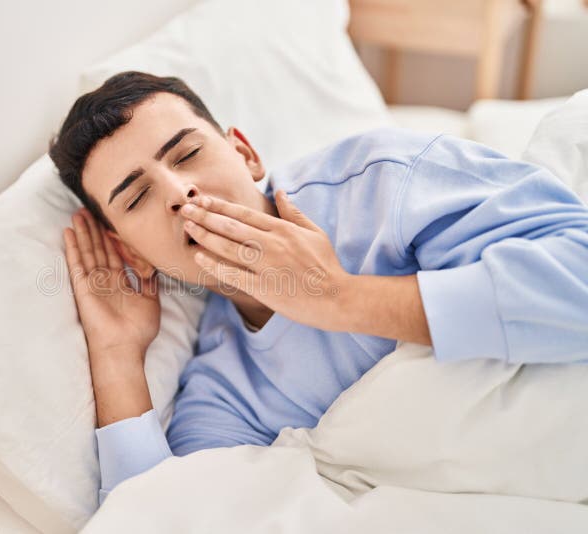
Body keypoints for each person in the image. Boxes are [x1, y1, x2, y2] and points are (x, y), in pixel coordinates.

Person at [48, 71, 588, 507]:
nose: (179, 190)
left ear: (246, 153)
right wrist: (117, 357)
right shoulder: (226, 386)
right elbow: (155, 515)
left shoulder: (381, 180)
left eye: (187, 155)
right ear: (132, 252)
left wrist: (338, 298)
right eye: (137, 196)